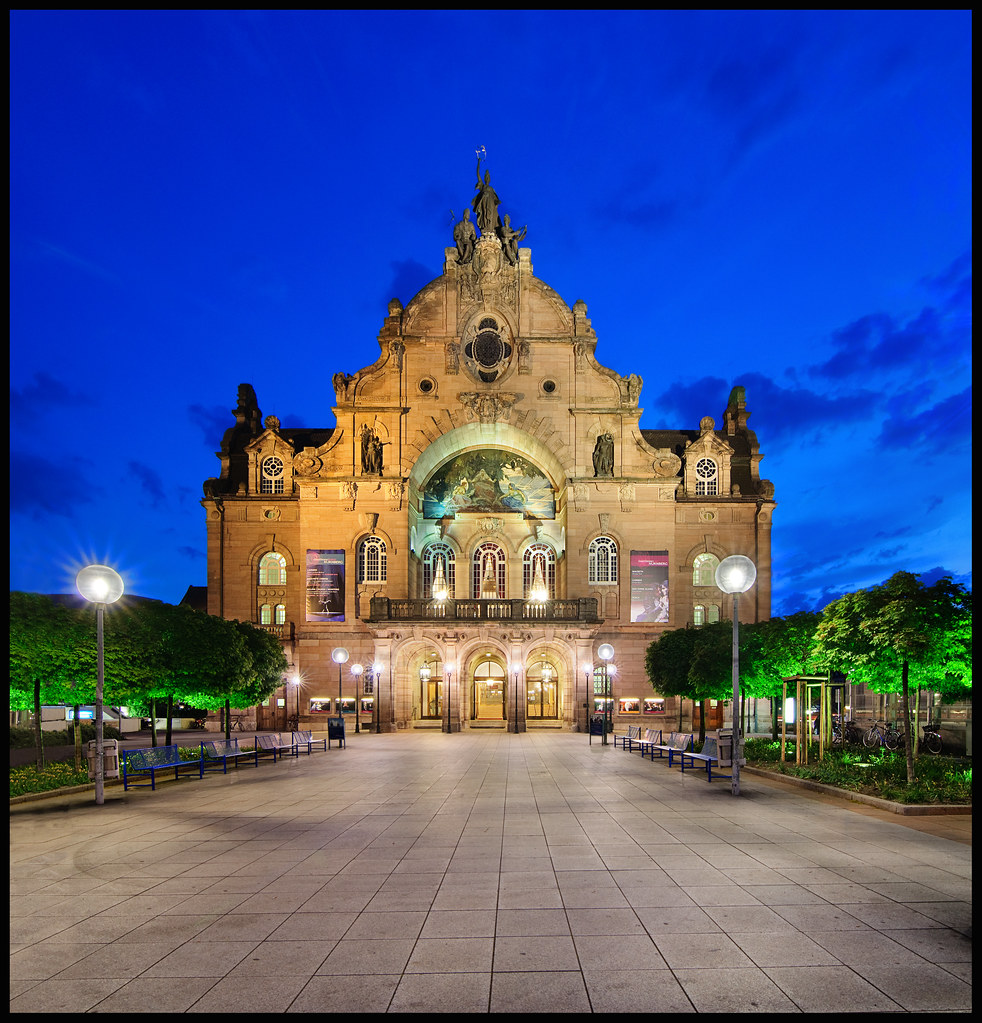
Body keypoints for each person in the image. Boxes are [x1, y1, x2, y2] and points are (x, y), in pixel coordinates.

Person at [472, 169, 501, 235]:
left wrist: (497, 202)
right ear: (484, 179)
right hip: (484, 202)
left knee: (490, 215)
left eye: (488, 178)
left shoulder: (491, 189)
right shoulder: (483, 186)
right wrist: (479, 162)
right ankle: (485, 227)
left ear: (489, 179)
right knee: (484, 214)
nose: (487, 179)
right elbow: (478, 175)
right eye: (486, 177)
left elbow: (495, 198)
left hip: (491, 203)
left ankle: (491, 228)